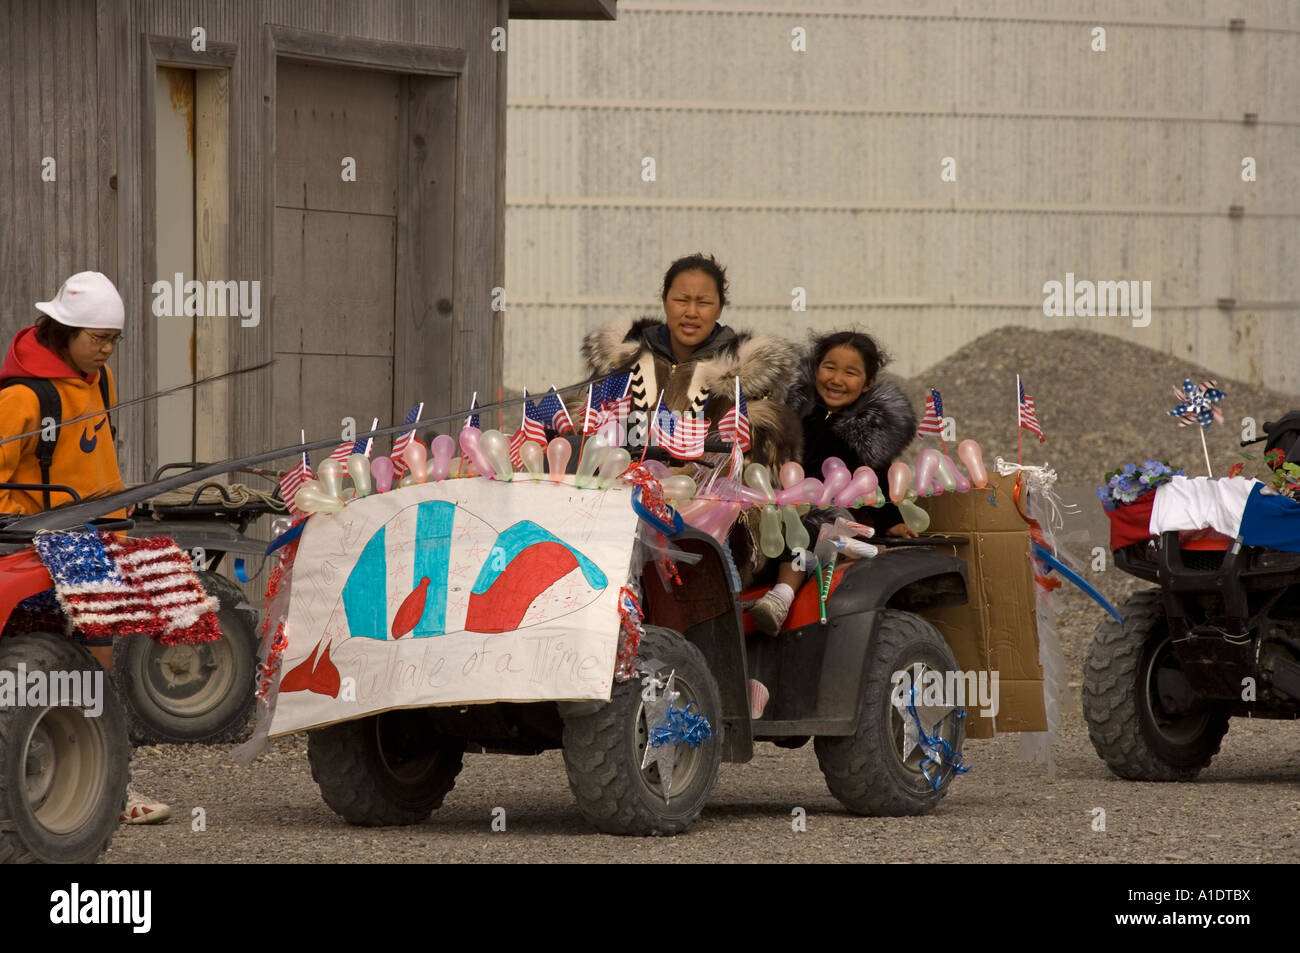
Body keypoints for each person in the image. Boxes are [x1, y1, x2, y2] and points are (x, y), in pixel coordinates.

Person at [0, 271, 171, 825]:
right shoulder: (22, 396)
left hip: (100, 541)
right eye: (97, 338)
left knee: (97, 657)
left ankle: (105, 781)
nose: (106, 350)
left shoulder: (99, 379)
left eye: (113, 339)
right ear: (63, 330)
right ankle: (91, 785)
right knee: (64, 667)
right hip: (42, 549)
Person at [748, 330, 919, 636]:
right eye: (829, 367)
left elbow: (878, 477)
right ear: (816, 369)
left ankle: (781, 597)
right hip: (784, 503)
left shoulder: (868, 429)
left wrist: (893, 522)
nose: (837, 379)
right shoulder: (793, 412)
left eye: (850, 373)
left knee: (810, 524)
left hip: (835, 515)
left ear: (868, 383)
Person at [578, 252, 802, 471]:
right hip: (620, 498)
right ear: (665, 301)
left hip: (709, 503)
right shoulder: (622, 364)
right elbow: (587, 436)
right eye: (681, 300)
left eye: (704, 302)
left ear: (720, 308)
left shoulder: (744, 376)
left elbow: (760, 470)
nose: (691, 312)